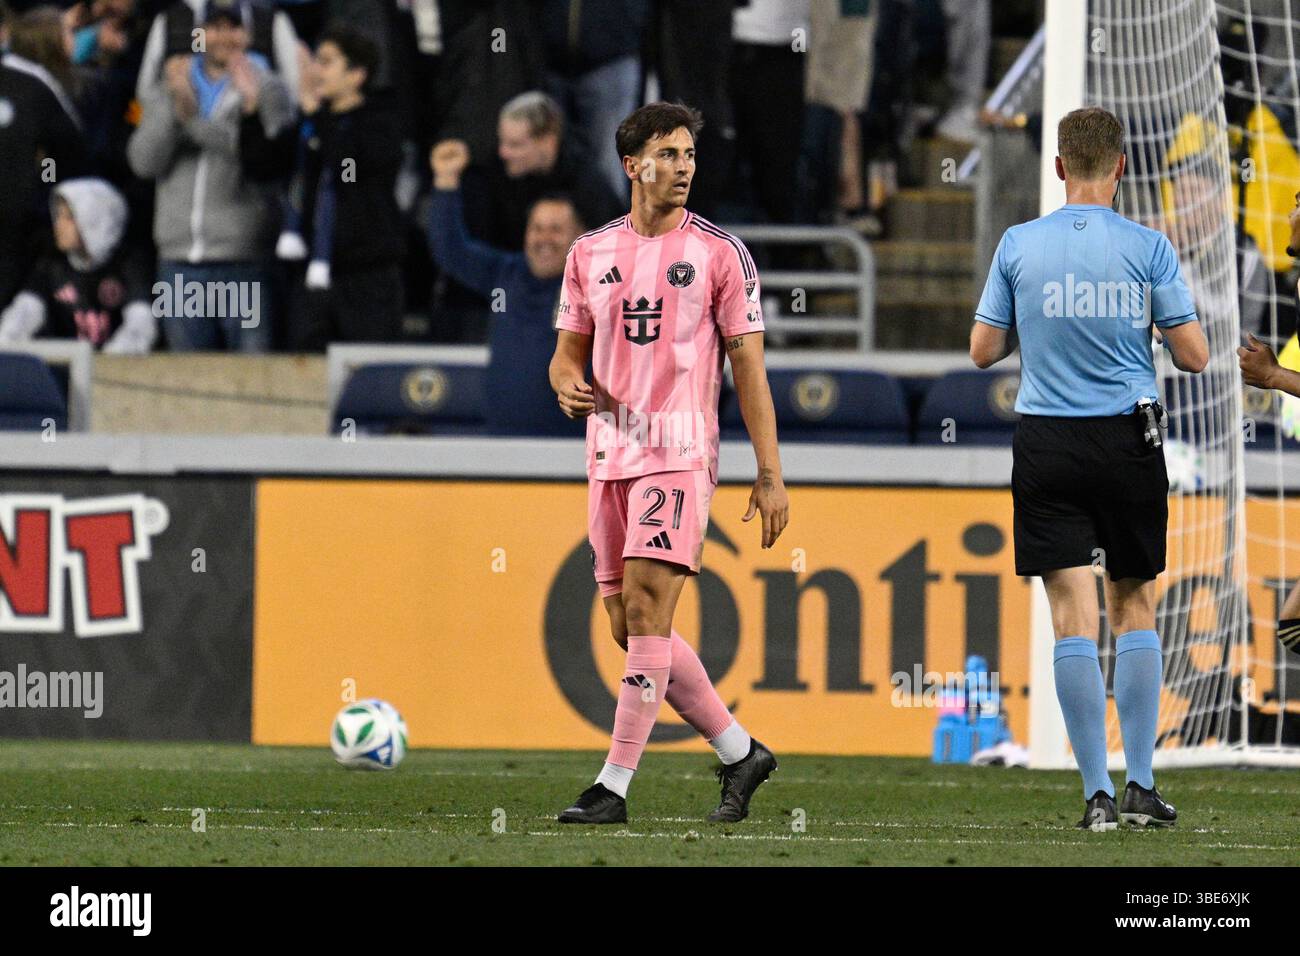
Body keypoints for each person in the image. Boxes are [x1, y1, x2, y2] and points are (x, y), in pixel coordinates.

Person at [549, 102, 789, 825]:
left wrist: (770, 472)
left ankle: (612, 788)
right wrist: (563, 380)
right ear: (632, 166)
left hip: (680, 451)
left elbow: (750, 368)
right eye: (668, 154)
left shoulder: (720, 254)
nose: (684, 166)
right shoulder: (589, 253)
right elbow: (567, 350)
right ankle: (740, 751)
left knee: (652, 610)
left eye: (689, 154)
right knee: (630, 628)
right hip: (609, 453)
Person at [971, 106, 1209, 831]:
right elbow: (1195, 355)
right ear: (1123, 167)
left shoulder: (1019, 243)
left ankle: (1097, 796)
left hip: (1046, 441)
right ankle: (1140, 783)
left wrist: (1042, 321)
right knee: (1133, 604)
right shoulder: (1148, 246)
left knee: (1070, 618)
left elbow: (983, 350)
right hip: (1127, 441)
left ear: (1057, 168)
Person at [126, 0, 292, 350]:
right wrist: (175, 107)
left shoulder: (269, 88)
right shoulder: (170, 84)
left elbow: (264, 159)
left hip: (243, 256)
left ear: (247, 35)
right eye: (214, 28)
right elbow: (143, 162)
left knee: (252, 380)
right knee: (185, 381)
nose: (223, 37)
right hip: (178, 260)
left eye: (233, 28)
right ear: (197, 35)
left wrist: (191, 123)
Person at [428, 138, 584, 436]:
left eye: (556, 230)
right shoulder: (505, 274)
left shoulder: (598, 290)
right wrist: (446, 180)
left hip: (571, 461)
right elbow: (450, 250)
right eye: (536, 228)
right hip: (501, 457)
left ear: (580, 237)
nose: (544, 239)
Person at [283, 22, 403, 349]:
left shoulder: (381, 122)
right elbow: (266, 165)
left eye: (327, 62)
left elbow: (348, 168)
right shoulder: (309, 124)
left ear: (356, 74)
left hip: (367, 278)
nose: (316, 71)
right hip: (310, 277)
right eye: (315, 61)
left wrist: (316, 114)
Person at [0, 178, 155, 352]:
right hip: (63, 367)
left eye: (68, 218)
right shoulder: (52, 264)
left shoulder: (129, 266)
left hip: (114, 371)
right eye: (58, 215)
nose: (58, 225)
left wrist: (108, 363)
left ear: (96, 221)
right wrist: (5, 344)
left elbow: (140, 326)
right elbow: (24, 312)